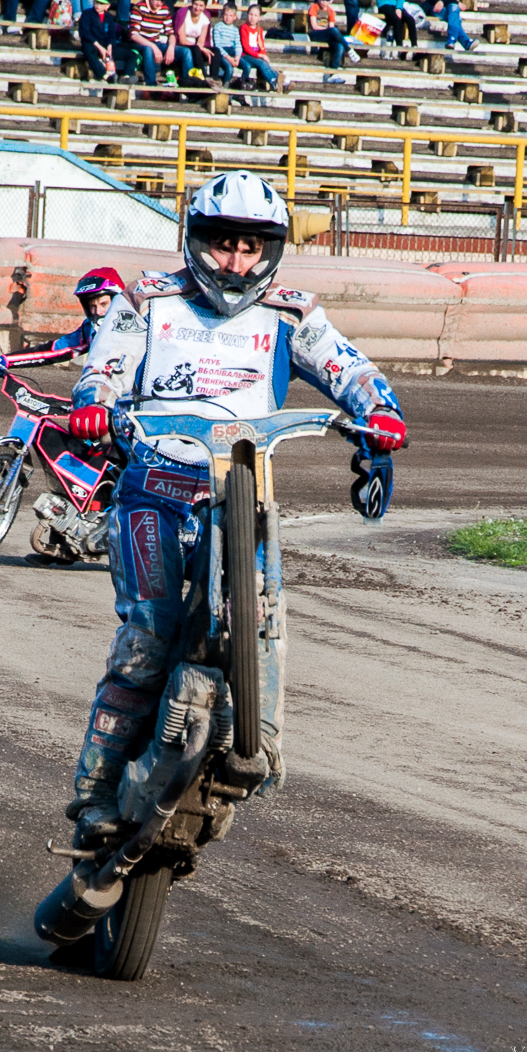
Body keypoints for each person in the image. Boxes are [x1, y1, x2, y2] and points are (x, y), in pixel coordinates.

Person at [62, 170, 406, 840]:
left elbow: (350, 369)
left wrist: (380, 412)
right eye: (222, 243)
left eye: (251, 247)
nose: (235, 260)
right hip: (153, 490)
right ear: (195, 239)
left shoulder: (292, 313)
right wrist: (93, 404)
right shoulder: (149, 298)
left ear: (272, 249)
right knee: (147, 637)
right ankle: (94, 793)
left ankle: (261, 737)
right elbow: (106, 359)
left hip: (243, 490)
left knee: (266, 616)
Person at [0, 269, 126, 376]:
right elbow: (54, 350)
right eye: (92, 306)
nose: (97, 312)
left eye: (103, 304)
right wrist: (6, 360)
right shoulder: (90, 330)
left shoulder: (144, 324)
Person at [129, 0, 193, 84]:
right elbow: (134, 35)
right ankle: (151, 84)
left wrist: (171, 47)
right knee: (148, 49)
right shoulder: (139, 7)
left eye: (162, 0)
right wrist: (153, 47)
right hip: (140, 44)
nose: (159, 3)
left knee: (186, 52)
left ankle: (189, 84)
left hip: (156, 42)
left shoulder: (165, 10)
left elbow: (170, 33)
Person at [78, 0, 138, 79]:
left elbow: (111, 34)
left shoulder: (109, 17)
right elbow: (85, 33)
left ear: (107, 6)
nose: (97, 5)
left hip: (106, 45)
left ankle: (127, 76)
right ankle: (103, 74)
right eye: (96, 2)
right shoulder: (87, 14)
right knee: (88, 49)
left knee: (132, 54)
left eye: (101, 3)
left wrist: (109, 48)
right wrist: (100, 48)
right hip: (92, 44)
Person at [309, 0, 360, 82]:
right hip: (315, 34)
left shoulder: (331, 12)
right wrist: (328, 30)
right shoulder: (314, 7)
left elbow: (331, 27)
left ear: (331, 0)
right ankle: (349, 50)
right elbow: (314, 26)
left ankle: (333, 73)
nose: (324, 2)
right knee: (334, 31)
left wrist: (330, 32)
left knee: (339, 46)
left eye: (327, 0)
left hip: (327, 34)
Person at [239, 1, 290, 90]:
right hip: (246, 55)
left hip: (257, 55)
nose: (252, 18)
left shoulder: (260, 30)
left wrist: (264, 54)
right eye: (250, 14)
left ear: (259, 18)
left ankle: (281, 81)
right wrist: (260, 55)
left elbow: (261, 46)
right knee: (261, 62)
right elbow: (246, 47)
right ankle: (274, 82)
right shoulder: (244, 28)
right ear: (247, 15)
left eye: (255, 15)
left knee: (265, 62)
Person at [175, 0, 214, 73]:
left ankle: (214, 79)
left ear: (205, 7)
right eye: (195, 4)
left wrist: (201, 47)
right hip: (183, 44)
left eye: (201, 6)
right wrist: (201, 48)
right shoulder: (183, 14)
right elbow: (182, 40)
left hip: (196, 45)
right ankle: (202, 77)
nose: (197, 8)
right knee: (196, 49)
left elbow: (201, 40)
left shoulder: (205, 17)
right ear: (192, 3)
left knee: (215, 52)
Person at [211, 0, 242, 84]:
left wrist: (237, 57)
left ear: (235, 17)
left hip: (232, 51)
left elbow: (238, 44)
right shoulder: (218, 27)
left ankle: (242, 85)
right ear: (222, 15)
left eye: (230, 15)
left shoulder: (235, 30)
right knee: (229, 68)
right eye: (225, 15)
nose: (227, 17)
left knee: (247, 66)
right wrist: (229, 58)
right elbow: (217, 45)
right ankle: (225, 86)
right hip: (222, 53)